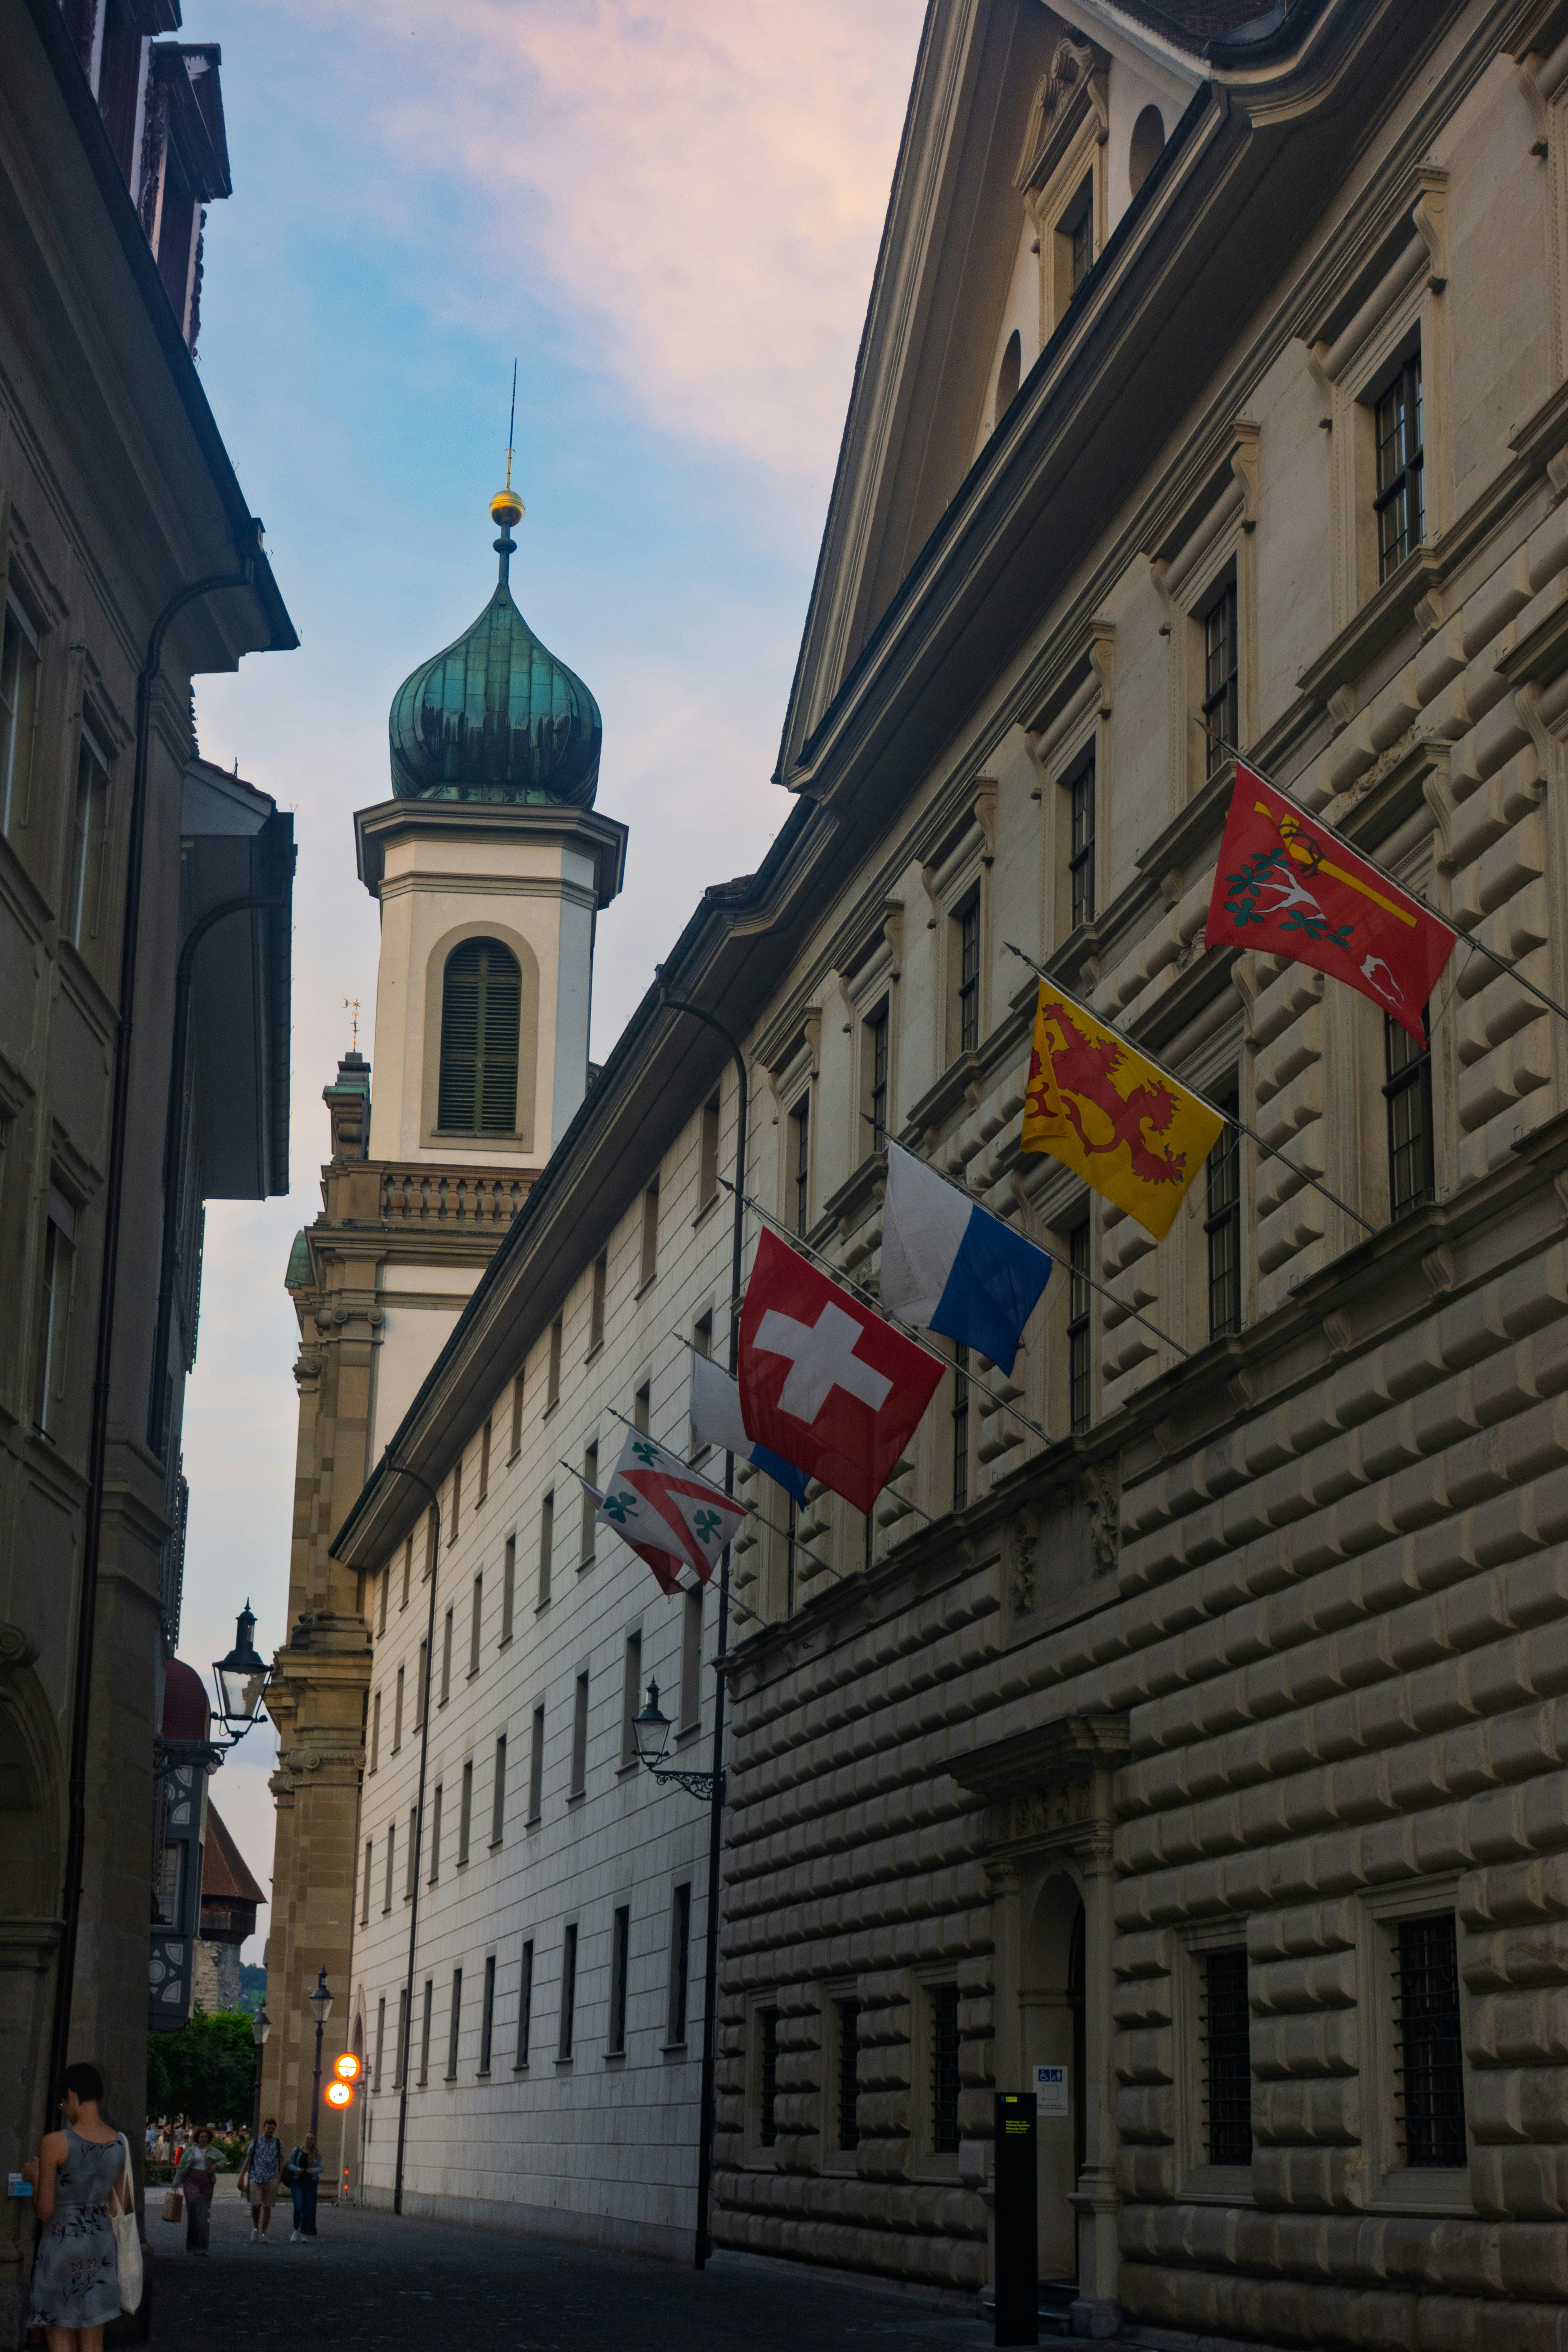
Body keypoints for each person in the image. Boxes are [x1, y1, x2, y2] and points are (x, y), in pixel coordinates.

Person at [23, 2061, 133, 2352]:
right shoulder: (120, 2143)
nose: (63, 2108)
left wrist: (34, 2180)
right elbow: (118, 2205)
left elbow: (45, 2211)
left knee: (59, 2331)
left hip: (62, 2249)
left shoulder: (56, 2143)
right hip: (100, 2247)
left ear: (70, 2095)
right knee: (93, 2339)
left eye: (62, 2102)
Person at [172, 2126, 224, 2257]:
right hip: (191, 2180)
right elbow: (182, 2166)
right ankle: (192, 2243)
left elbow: (224, 2160)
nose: (204, 2139)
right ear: (197, 2138)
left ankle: (202, 2244)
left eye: (206, 2137)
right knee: (194, 2207)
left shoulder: (213, 2151)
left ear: (209, 2138)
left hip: (206, 2180)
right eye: (201, 2136)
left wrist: (216, 2166)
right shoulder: (190, 2151)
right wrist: (177, 2181)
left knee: (205, 2210)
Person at [237, 2116, 283, 2241]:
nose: (270, 2130)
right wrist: (242, 2177)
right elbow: (248, 2159)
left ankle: (264, 2233)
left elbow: (281, 2160)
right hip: (256, 2177)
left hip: (271, 2178)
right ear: (264, 2128)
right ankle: (256, 2228)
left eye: (273, 2128)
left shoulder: (278, 2143)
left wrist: (279, 2176)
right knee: (256, 2205)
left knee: (268, 2207)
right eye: (268, 2128)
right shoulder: (256, 2142)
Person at [284, 2132, 323, 2241]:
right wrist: (297, 2170)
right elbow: (290, 2164)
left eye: (312, 2139)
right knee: (299, 2206)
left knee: (307, 2210)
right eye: (308, 2138)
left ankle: (304, 2232)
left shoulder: (316, 2154)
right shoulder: (297, 2151)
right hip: (298, 2182)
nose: (309, 2140)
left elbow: (321, 2167)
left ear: (314, 2141)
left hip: (311, 2183)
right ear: (304, 2139)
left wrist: (312, 2171)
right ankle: (296, 2228)